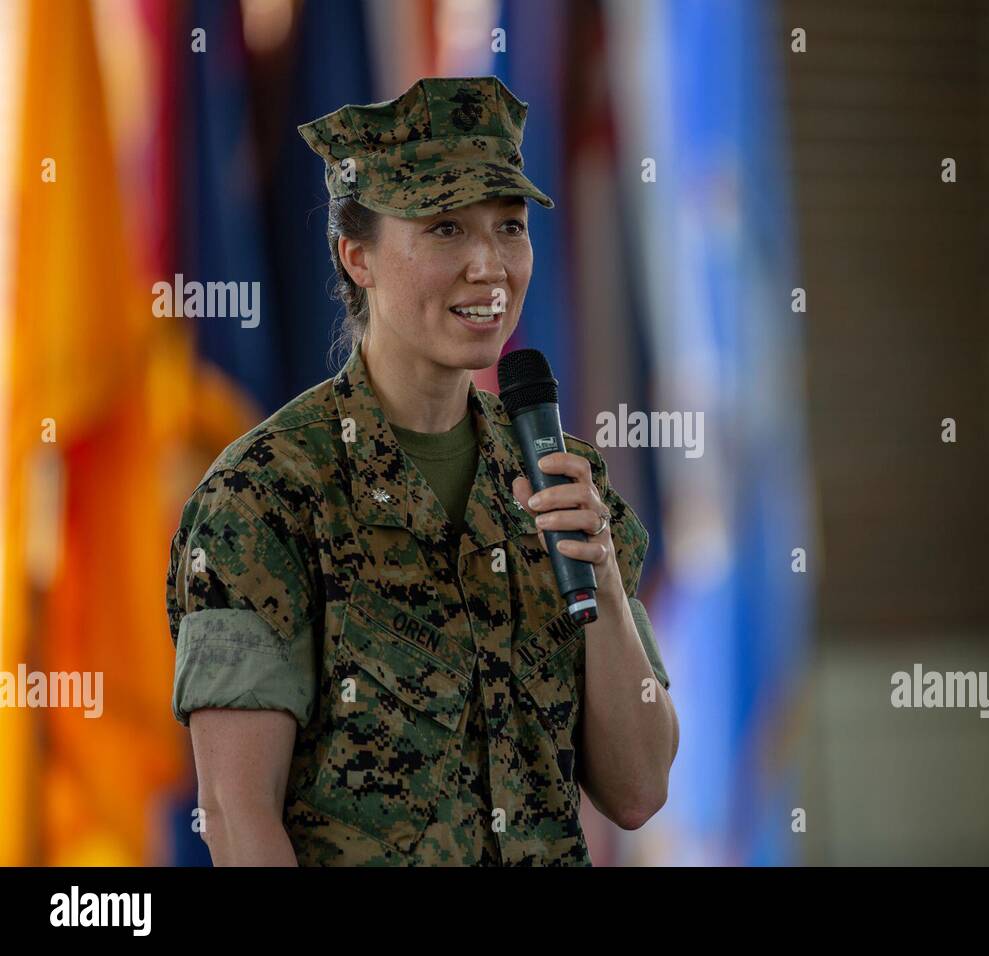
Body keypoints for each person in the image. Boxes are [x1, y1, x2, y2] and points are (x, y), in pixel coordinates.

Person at [165, 76, 678, 866]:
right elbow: (237, 820)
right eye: (444, 229)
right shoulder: (264, 494)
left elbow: (639, 791)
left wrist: (601, 575)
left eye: (509, 227)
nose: (489, 266)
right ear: (356, 254)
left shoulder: (561, 480)